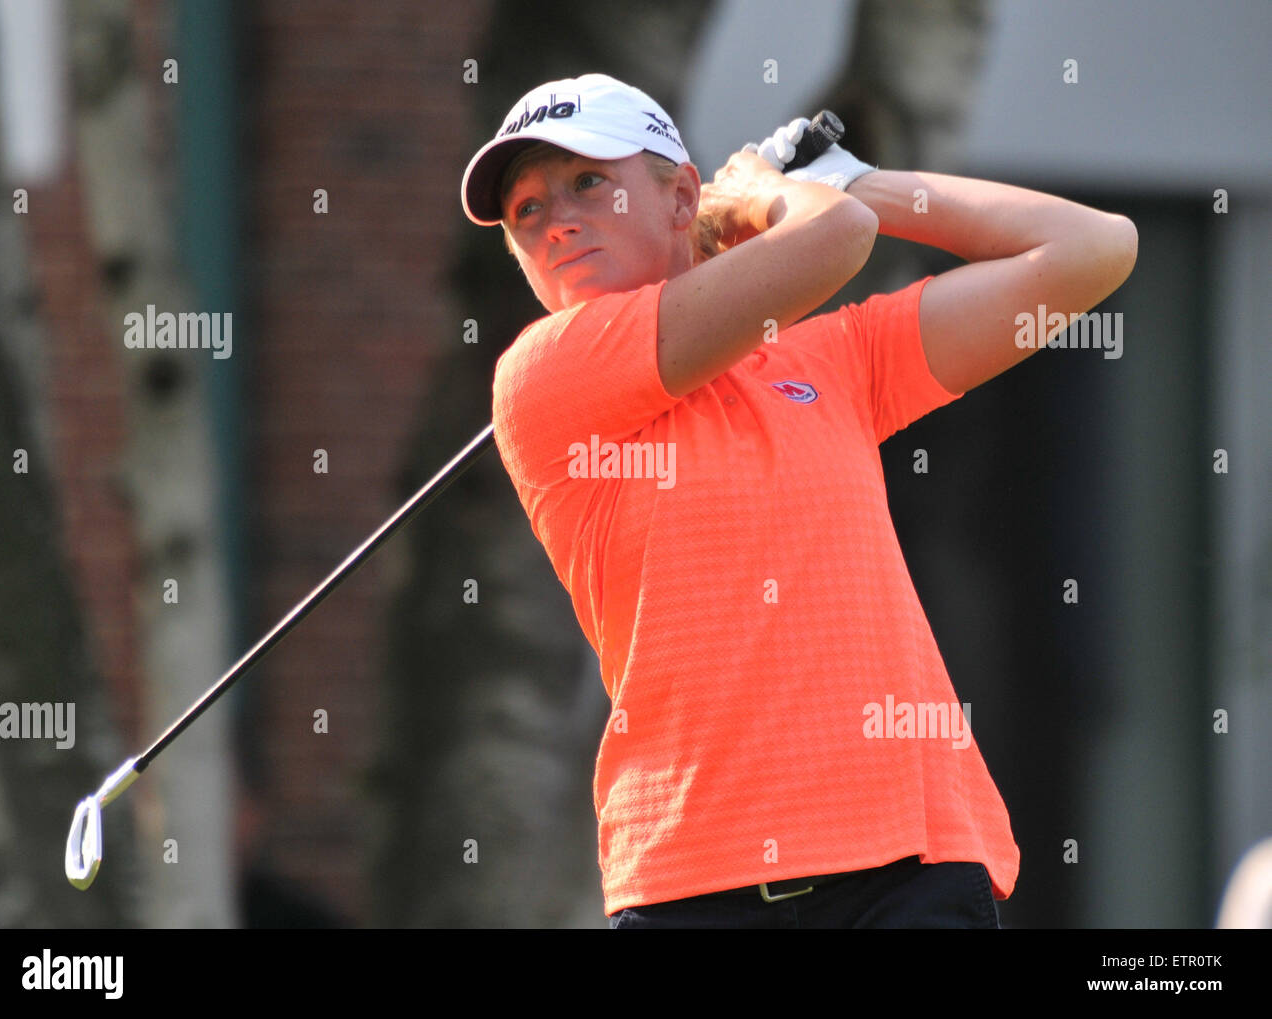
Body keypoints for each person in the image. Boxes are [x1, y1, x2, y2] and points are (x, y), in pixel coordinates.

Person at [461, 73, 1136, 929]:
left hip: (909, 868)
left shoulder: (833, 360)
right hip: (693, 888)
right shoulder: (542, 374)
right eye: (525, 210)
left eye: (588, 181)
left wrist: (858, 180)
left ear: (680, 198)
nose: (555, 218)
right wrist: (790, 200)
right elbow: (837, 240)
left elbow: (1093, 248)